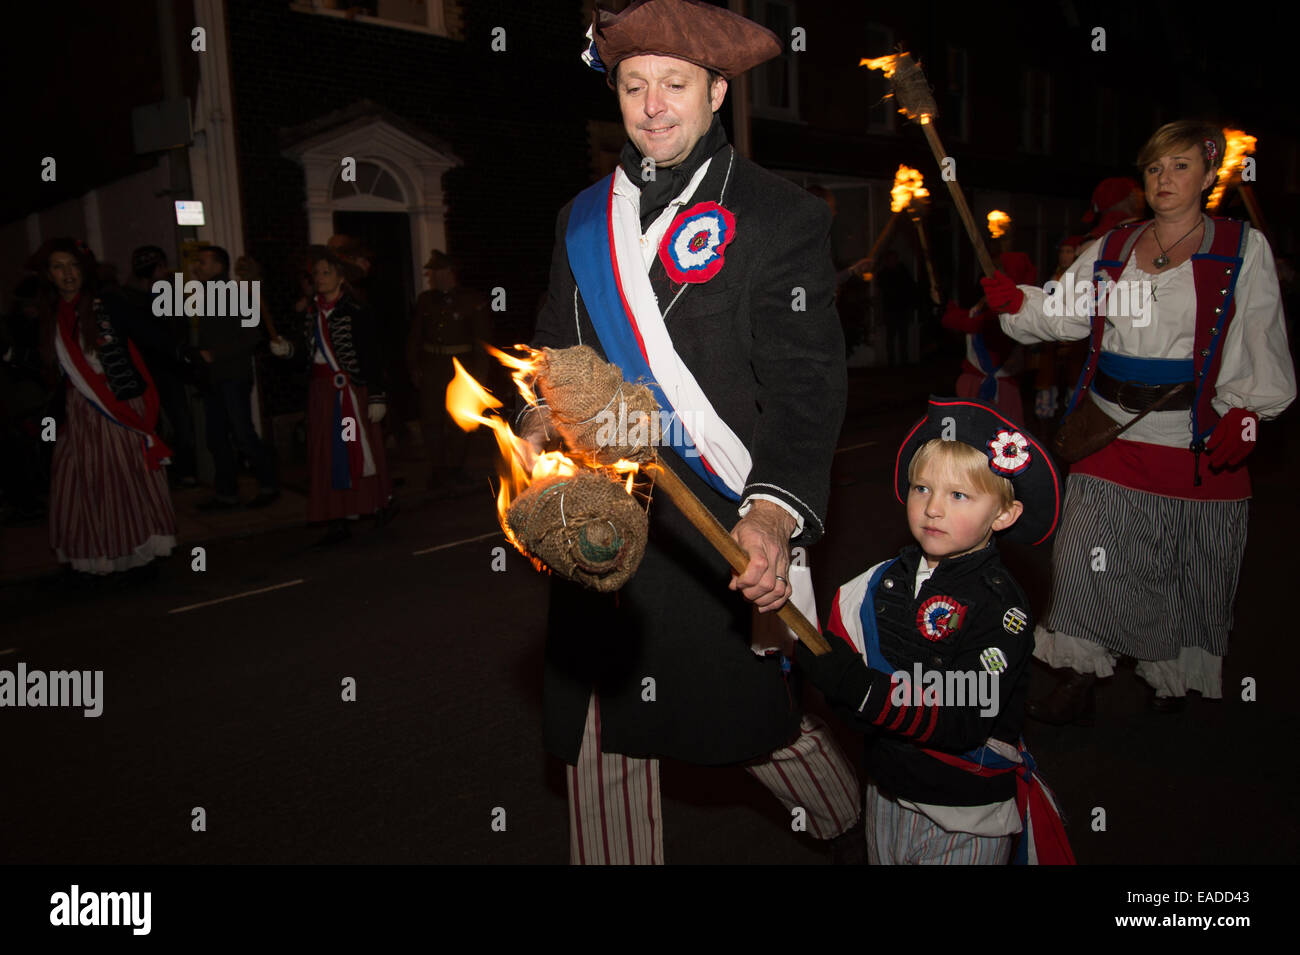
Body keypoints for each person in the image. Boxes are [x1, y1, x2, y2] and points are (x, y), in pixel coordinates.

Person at [529, 0, 858, 864]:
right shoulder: (580, 218)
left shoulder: (780, 216)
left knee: (753, 726)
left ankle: (863, 825)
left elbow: (806, 387)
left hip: (715, 518)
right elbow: (554, 356)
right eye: (634, 86)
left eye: (675, 84)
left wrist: (774, 515)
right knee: (603, 728)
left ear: (716, 91)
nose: (652, 105)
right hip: (602, 516)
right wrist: (536, 426)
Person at [983, 120, 1296, 719]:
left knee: (1179, 568)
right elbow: (1061, 313)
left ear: (1209, 177)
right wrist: (1017, 302)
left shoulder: (1240, 247)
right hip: (1108, 429)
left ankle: (1168, 676)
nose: (1165, 179)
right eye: (1154, 168)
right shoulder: (1116, 246)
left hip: (1190, 438)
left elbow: (1259, 336)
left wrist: (1250, 412)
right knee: (1084, 558)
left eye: (1180, 166)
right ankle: (1078, 673)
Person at [795, 397, 1073, 864]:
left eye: (958, 495)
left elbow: (962, 715)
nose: (932, 509)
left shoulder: (1001, 607)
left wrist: (860, 690)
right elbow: (856, 686)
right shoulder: (883, 580)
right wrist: (823, 667)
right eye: (922, 488)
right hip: (888, 794)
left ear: (1003, 516)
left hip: (964, 810)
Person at [30, 238, 181, 575]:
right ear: (49, 275)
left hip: (119, 401)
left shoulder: (108, 303)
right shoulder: (50, 315)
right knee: (78, 477)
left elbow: (150, 335)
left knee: (124, 477)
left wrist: (188, 357)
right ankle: (99, 553)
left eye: (72, 265)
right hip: (80, 407)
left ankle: (138, 549)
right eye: (58, 267)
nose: (67, 273)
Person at [270, 246, 393, 545]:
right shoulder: (311, 313)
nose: (320, 278)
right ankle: (337, 518)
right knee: (327, 455)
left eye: (326, 273)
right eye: (317, 274)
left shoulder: (356, 311)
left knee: (356, 450)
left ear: (340, 278)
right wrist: (289, 350)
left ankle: (376, 503)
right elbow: (306, 353)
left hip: (351, 394)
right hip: (323, 397)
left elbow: (372, 355)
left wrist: (377, 395)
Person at [193, 245, 280, 510]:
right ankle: (226, 494)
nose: (198, 266)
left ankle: (269, 484)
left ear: (219, 266)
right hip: (214, 378)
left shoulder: (235, 294)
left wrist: (215, 354)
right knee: (217, 436)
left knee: (243, 434)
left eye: (203, 262)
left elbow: (252, 336)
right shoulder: (206, 296)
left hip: (234, 376)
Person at [406, 250, 491, 493]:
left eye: (438, 272)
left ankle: (456, 469)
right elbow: (415, 336)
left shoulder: (471, 300)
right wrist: (414, 365)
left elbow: (481, 341)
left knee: (459, 421)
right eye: (432, 273)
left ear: (450, 273)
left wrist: (480, 375)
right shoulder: (426, 300)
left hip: (462, 369)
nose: (434, 277)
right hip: (433, 368)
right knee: (431, 421)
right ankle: (438, 471)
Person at [114, 245, 199, 487]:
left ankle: (184, 470)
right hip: (146, 368)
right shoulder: (130, 298)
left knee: (179, 419)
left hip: (168, 367)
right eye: (160, 267)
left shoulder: (165, 292)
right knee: (153, 421)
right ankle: (159, 470)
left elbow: (176, 328)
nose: (165, 270)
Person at [941, 250, 1036, 421]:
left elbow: (970, 324)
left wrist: (947, 310)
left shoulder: (1006, 309)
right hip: (988, 385)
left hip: (996, 389)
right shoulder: (1016, 304)